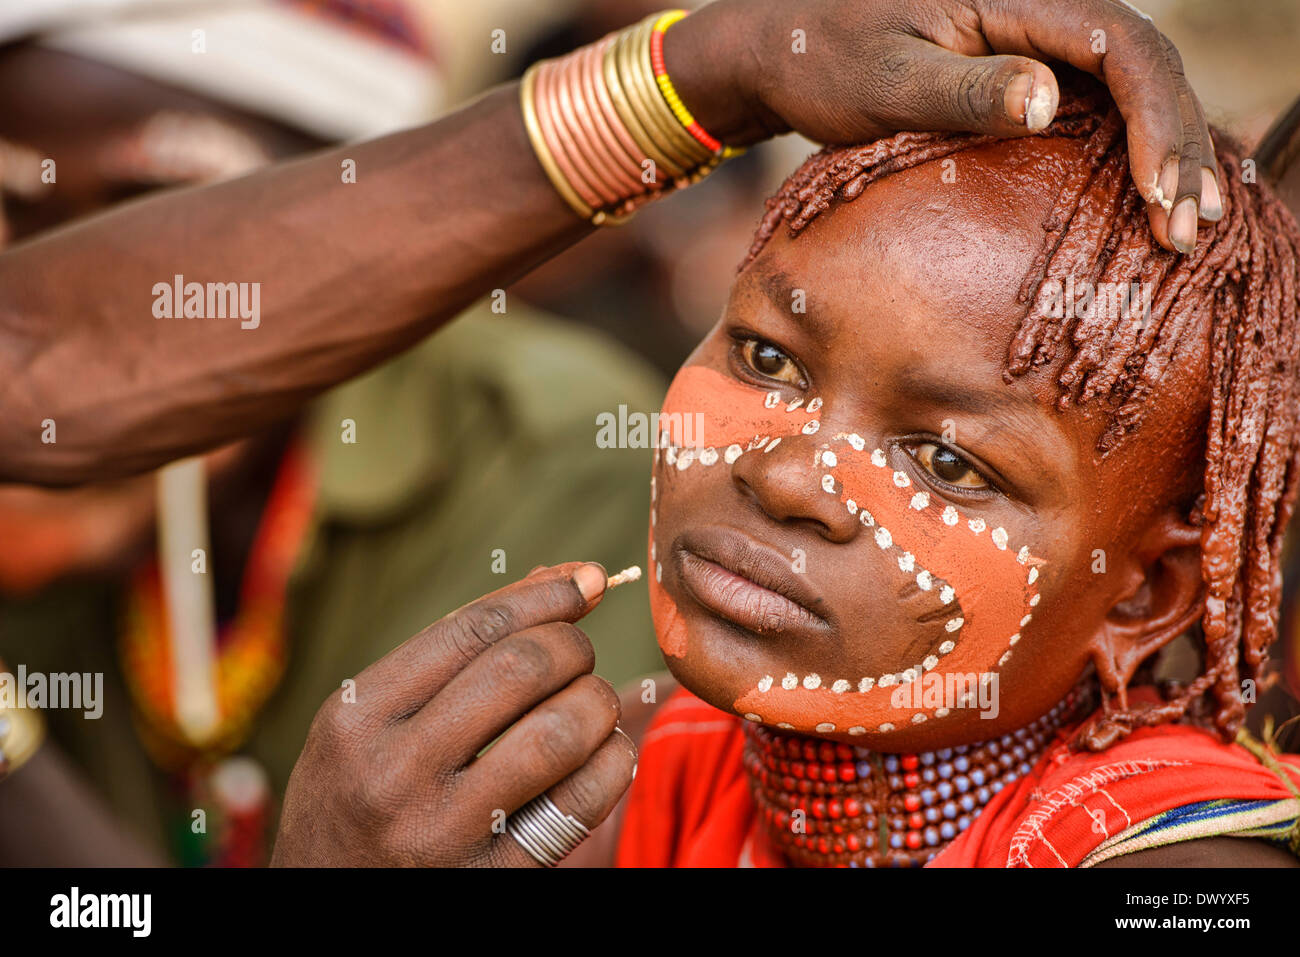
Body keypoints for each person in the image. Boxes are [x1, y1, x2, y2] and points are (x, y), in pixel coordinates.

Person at [0, 0, 1261, 866]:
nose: (778, 473)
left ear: (1144, 591)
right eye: (766, 358)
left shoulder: (1180, 867)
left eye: (946, 460)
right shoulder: (661, 776)